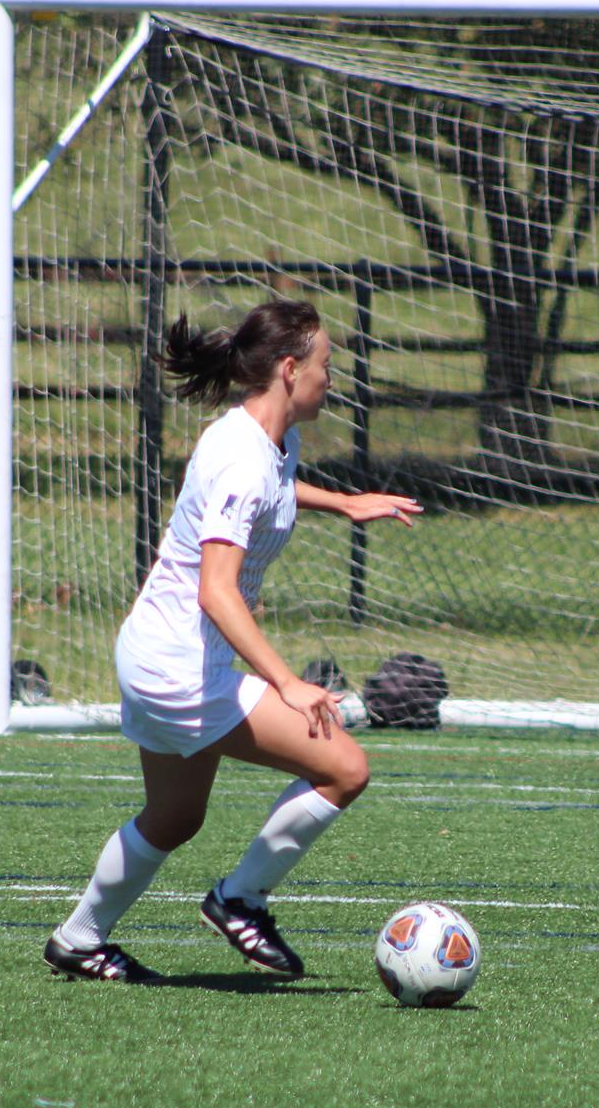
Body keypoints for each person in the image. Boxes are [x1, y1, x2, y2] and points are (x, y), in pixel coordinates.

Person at [44, 298, 422, 982]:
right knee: (344, 768)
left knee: (175, 816)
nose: (331, 379)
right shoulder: (240, 459)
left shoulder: (269, 439)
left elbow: (276, 489)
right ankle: (239, 899)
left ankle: (78, 939)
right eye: (325, 365)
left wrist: (345, 502)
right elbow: (216, 590)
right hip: (180, 668)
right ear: (290, 370)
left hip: (159, 654)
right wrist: (287, 681)